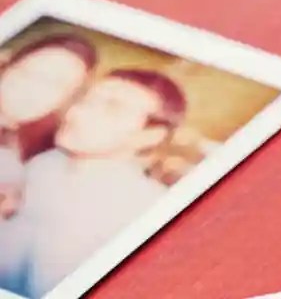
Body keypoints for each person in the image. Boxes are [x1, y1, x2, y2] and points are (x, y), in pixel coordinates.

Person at [0, 68, 187, 298]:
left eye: (112, 108)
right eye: (85, 100)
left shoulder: (147, 213)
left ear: (150, 135)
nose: (76, 113)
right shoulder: (47, 163)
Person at [0, 35, 99, 218]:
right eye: (31, 74)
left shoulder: (36, 156)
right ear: (7, 66)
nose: (35, 91)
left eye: (57, 85)